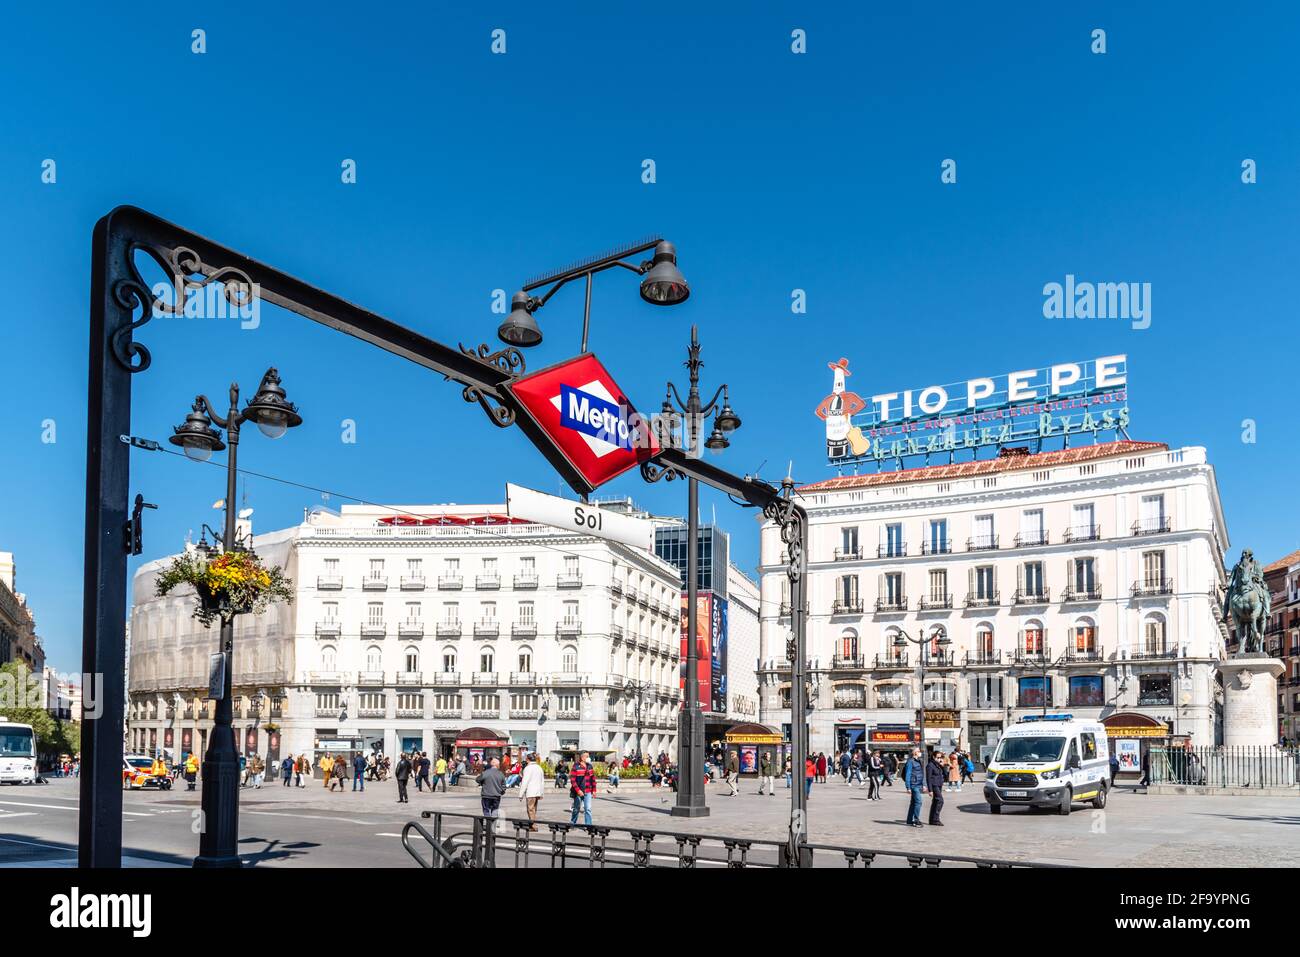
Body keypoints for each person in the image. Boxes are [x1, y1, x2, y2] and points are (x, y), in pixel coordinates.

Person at [476, 756, 507, 823]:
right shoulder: (501, 774)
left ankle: (488, 823)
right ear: (496, 765)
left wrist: (482, 783)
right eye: (499, 764)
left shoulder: (486, 772)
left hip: (486, 795)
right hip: (496, 796)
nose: (499, 765)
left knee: (486, 810)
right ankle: (492, 824)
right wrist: (502, 792)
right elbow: (504, 785)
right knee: (495, 811)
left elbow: (478, 779)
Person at [569, 750, 596, 826]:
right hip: (579, 791)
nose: (588, 758)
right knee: (576, 809)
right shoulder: (576, 766)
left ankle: (588, 825)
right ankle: (573, 822)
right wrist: (578, 791)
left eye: (588, 756)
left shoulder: (590, 766)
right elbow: (573, 780)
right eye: (586, 756)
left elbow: (593, 779)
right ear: (582, 757)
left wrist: (594, 790)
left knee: (588, 809)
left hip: (588, 791)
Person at [519, 752, 545, 830]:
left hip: (531, 792)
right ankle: (533, 823)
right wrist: (541, 793)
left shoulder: (528, 768)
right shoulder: (539, 767)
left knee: (530, 809)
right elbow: (542, 781)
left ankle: (533, 825)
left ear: (527, 759)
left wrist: (521, 794)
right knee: (534, 809)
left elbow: (525, 782)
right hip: (537, 792)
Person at [902, 747, 926, 827]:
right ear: (914, 752)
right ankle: (916, 820)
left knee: (913, 802)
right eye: (919, 751)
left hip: (918, 784)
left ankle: (909, 820)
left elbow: (921, 773)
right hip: (913, 784)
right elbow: (908, 774)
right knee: (919, 802)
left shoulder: (918, 761)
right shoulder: (910, 762)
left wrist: (923, 784)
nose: (920, 752)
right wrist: (908, 787)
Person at [926, 751, 947, 825]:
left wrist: (943, 766)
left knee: (935, 802)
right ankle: (936, 819)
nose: (939, 759)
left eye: (940, 757)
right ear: (933, 757)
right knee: (940, 801)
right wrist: (930, 790)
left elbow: (946, 775)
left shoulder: (938, 765)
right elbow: (928, 778)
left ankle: (932, 820)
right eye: (938, 757)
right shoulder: (930, 765)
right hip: (934, 785)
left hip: (939, 785)